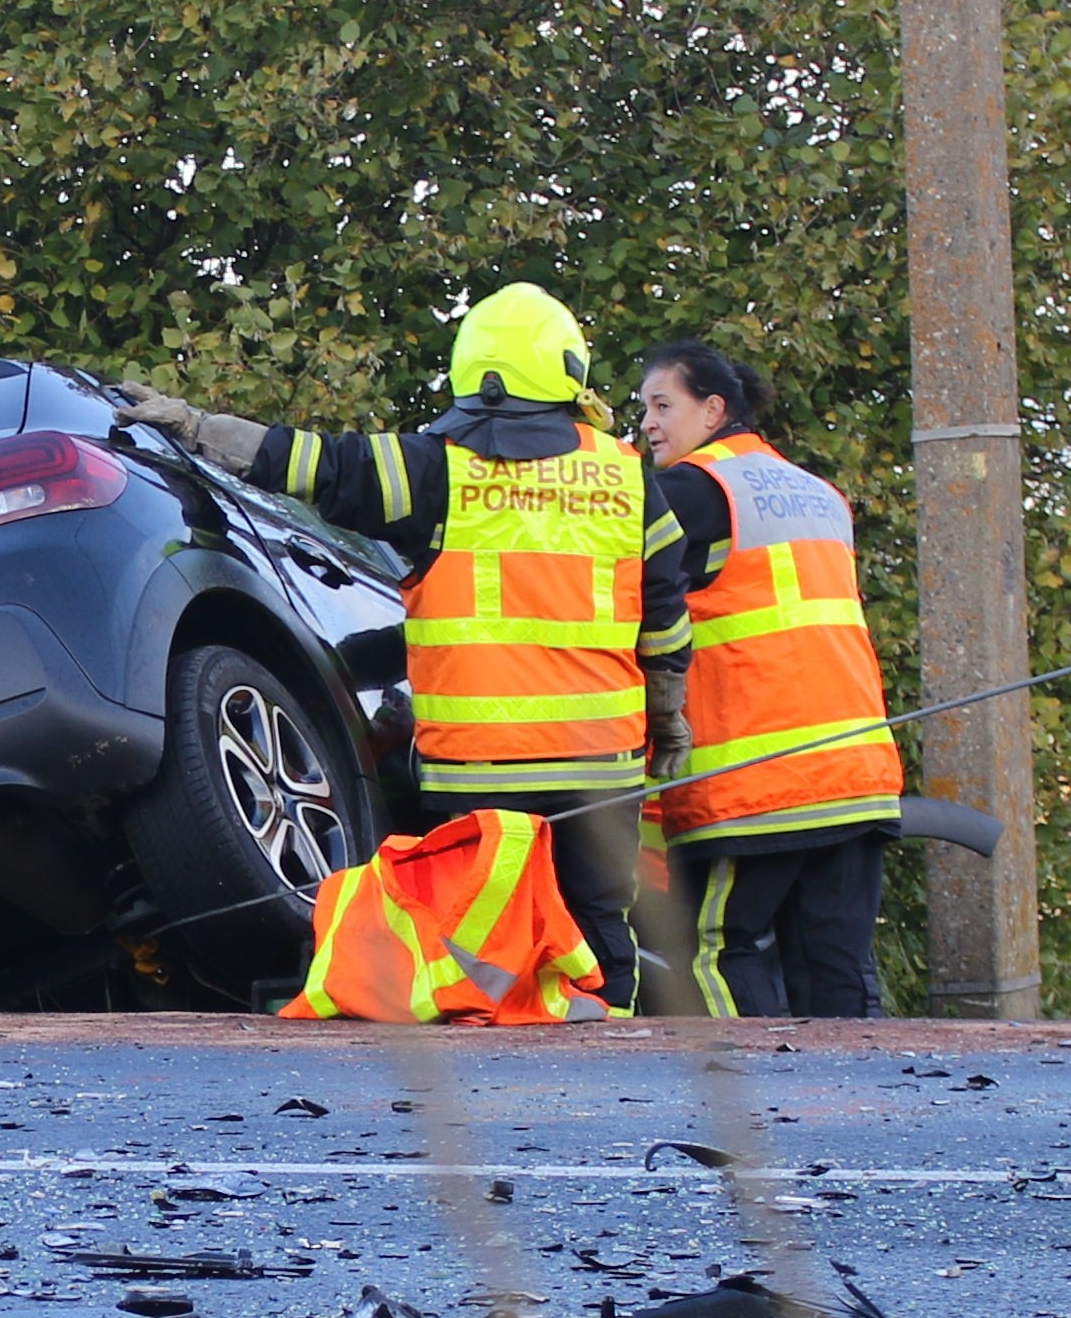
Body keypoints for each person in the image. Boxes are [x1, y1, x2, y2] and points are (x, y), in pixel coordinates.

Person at [113, 283, 680, 1008]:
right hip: (601, 768)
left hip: (479, 773)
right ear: (569, 371)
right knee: (601, 930)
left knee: (479, 942)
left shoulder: (434, 468)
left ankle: (496, 1063)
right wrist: (669, 724)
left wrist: (193, 425)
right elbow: (666, 628)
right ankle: (620, 1055)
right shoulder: (629, 479)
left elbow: (312, 463)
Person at [632, 339, 905, 1019]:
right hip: (855, 777)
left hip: (756, 784)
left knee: (713, 953)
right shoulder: (819, 494)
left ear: (713, 410)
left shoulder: (690, 491)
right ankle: (855, 1089)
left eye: (662, 405)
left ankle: (754, 1089)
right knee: (835, 965)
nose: (648, 424)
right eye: (645, 409)